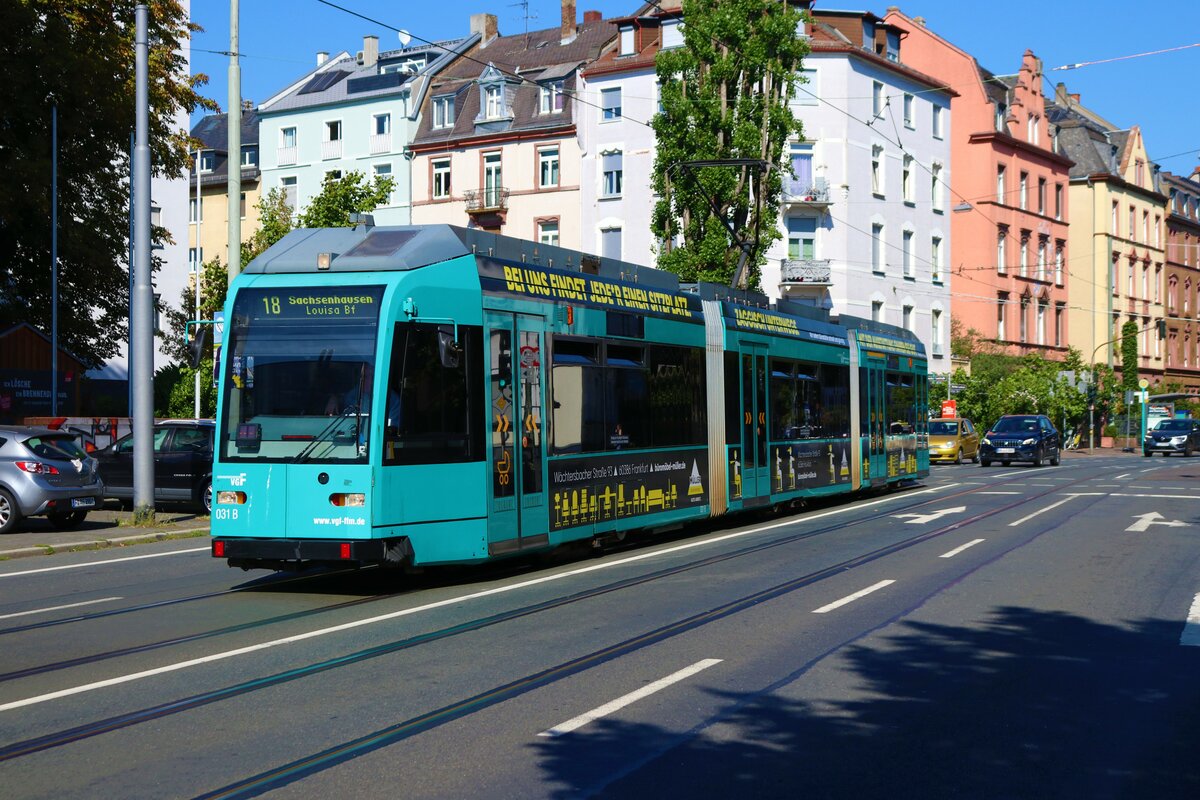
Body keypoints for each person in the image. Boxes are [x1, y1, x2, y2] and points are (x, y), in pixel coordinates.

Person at [326, 363, 401, 429]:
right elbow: (342, 401)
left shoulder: (393, 401)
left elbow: (392, 430)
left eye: (366, 377)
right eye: (362, 377)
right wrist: (334, 399)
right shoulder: (354, 394)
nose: (362, 381)